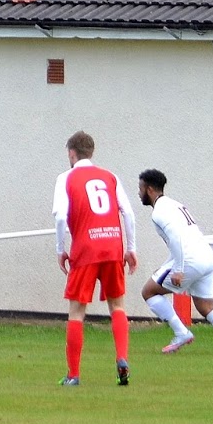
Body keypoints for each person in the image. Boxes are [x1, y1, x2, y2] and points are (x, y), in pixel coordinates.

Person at [136, 170, 213, 356]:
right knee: (206, 307)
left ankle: (181, 332)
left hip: (189, 259)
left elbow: (176, 237)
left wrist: (179, 268)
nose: (138, 193)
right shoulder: (175, 204)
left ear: (149, 190)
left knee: (148, 292)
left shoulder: (159, 211)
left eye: (140, 188)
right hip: (206, 256)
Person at [52, 130, 137, 387]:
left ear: (71, 153)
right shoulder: (109, 176)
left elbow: (59, 217)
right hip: (112, 245)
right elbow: (129, 214)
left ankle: (74, 374)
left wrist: (60, 249)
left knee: (77, 311)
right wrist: (130, 248)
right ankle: (122, 358)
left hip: (85, 248)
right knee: (118, 306)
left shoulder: (65, 178)